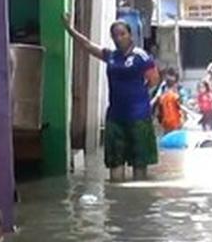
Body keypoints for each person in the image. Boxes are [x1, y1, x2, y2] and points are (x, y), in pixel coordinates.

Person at [64, 16, 160, 181]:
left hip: (138, 118)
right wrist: (69, 29)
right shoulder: (111, 56)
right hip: (115, 118)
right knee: (115, 165)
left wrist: (136, 97)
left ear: (130, 35)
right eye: (115, 35)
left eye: (122, 34)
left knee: (139, 164)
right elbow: (87, 45)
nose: (118, 38)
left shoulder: (141, 57)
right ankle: (117, 202)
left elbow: (154, 81)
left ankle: (140, 204)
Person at [156, 68, 185, 135]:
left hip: (173, 119)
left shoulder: (178, 89)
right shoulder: (162, 88)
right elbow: (158, 103)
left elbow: (181, 103)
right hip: (167, 119)